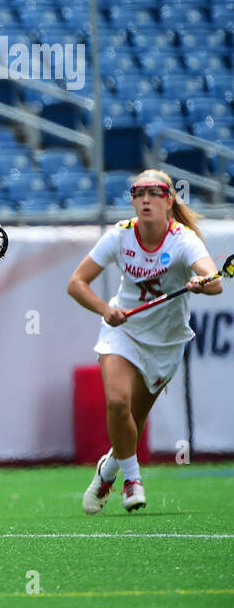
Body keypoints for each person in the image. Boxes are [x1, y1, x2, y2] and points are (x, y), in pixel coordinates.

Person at [67, 169, 222, 514]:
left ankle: (108, 469)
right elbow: (76, 283)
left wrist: (201, 281)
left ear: (169, 201)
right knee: (118, 404)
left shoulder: (183, 239)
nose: (146, 199)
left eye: (155, 193)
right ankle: (132, 481)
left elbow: (215, 281)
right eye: (139, 193)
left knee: (133, 421)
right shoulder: (120, 235)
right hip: (123, 331)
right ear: (133, 200)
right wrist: (106, 310)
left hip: (165, 341)